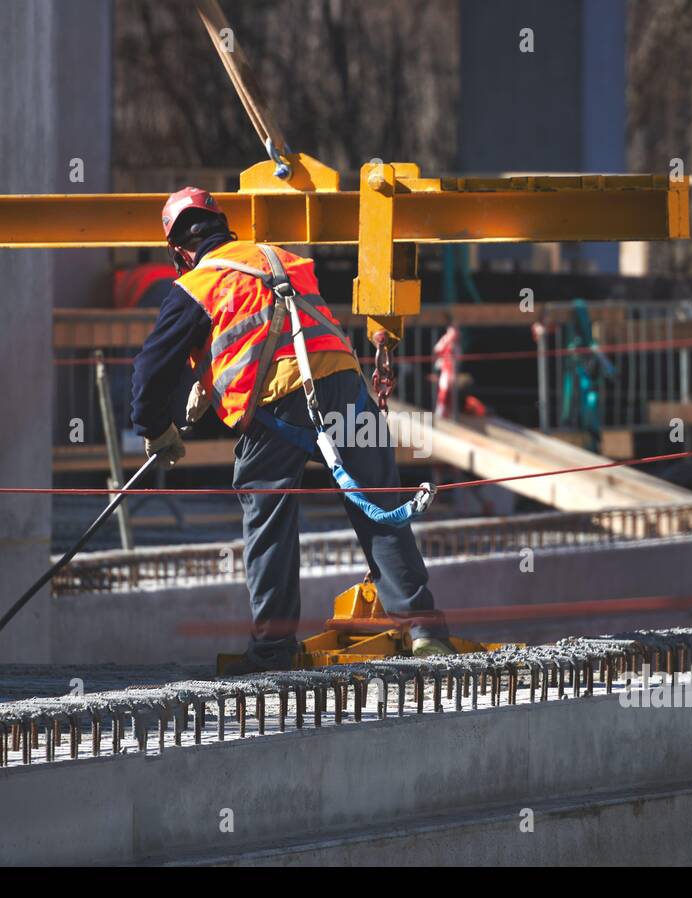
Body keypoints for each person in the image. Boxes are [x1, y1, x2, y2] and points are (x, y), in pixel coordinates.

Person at [130, 187, 454, 673]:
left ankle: (273, 651)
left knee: (269, 521)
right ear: (222, 227)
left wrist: (156, 428)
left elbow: (151, 370)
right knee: (380, 503)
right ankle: (426, 633)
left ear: (178, 250)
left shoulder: (196, 285)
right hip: (345, 384)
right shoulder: (279, 257)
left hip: (278, 402)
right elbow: (270, 323)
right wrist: (208, 375)